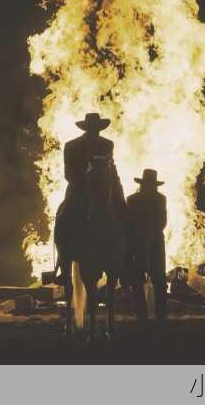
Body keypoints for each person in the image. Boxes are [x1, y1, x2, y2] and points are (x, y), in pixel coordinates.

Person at [54, 112, 126, 282]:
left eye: (97, 128)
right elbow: (68, 174)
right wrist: (86, 181)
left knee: (124, 213)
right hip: (79, 188)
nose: (96, 131)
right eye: (94, 128)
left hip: (104, 185)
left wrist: (113, 182)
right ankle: (64, 261)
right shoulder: (72, 146)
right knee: (65, 216)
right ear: (89, 128)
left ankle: (123, 259)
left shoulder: (108, 144)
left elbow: (111, 166)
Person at [127, 169, 167, 322]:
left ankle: (154, 314)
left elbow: (162, 222)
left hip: (148, 242)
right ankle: (151, 314)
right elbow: (162, 222)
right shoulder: (160, 199)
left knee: (156, 279)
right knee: (147, 279)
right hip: (150, 242)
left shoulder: (133, 199)